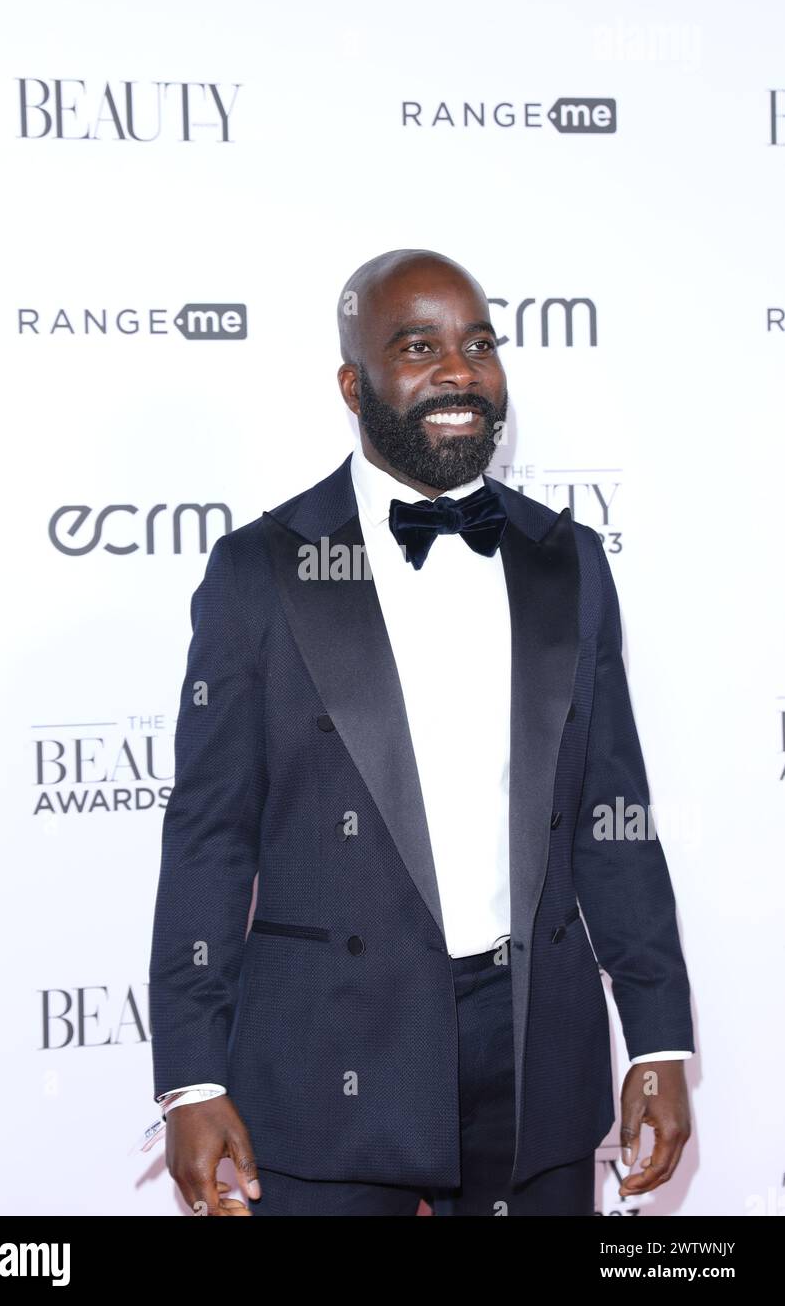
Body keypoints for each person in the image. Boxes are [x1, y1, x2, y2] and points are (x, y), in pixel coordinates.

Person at [147, 248, 694, 1216]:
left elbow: (613, 809)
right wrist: (192, 1077)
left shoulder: (563, 559)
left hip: (533, 1051)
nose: (458, 370)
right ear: (353, 384)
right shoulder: (259, 570)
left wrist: (653, 1037)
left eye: (477, 344)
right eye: (417, 345)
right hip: (326, 1056)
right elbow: (208, 837)